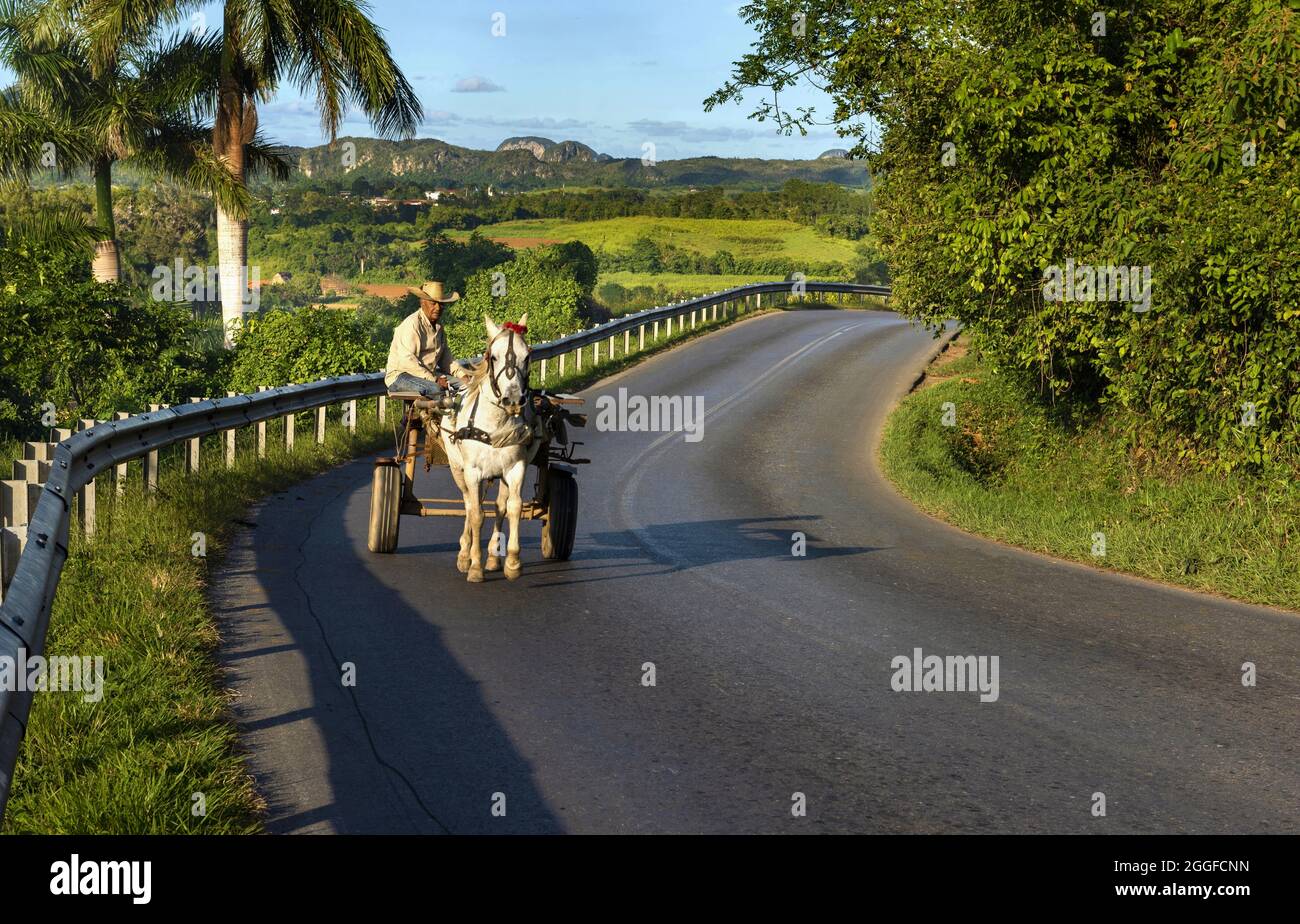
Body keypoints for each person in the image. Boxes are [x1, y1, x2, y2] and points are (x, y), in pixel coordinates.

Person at [383, 281, 472, 399]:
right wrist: (434, 379)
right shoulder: (412, 325)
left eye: (441, 304)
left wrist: (463, 376)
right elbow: (407, 362)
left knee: (468, 386)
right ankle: (436, 417)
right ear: (422, 303)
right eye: (433, 303)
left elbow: (447, 360)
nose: (438, 308)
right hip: (401, 376)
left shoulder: (439, 328)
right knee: (436, 390)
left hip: (426, 374)